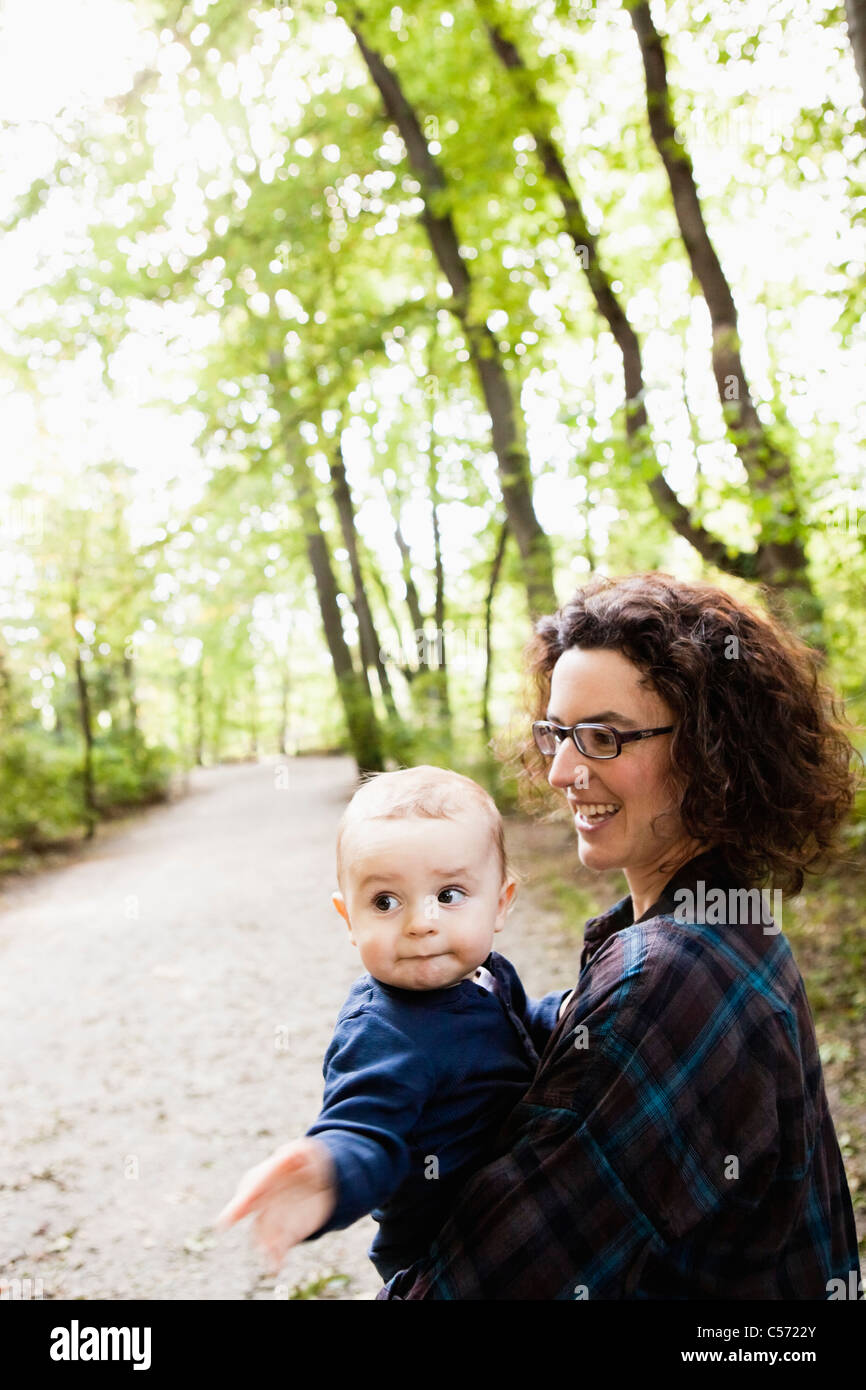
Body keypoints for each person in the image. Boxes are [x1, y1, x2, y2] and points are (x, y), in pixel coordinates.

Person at [374, 572, 863, 1299]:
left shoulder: (668, 976)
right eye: (558, 732)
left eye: (604, 736)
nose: (565, 769)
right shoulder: (727, 919)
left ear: (710, 749)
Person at [214, 764, 571, 1281]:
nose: (421, 922)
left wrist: (562, 1012)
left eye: (449, 895)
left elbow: (514, 1025)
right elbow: (364, 1130)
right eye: (385, 902)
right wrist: (331, 1170)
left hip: (519, 1206)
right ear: (349, 921)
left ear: (500, 904)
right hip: (448, 1254)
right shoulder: (380, 1033)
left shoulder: (486, 973)